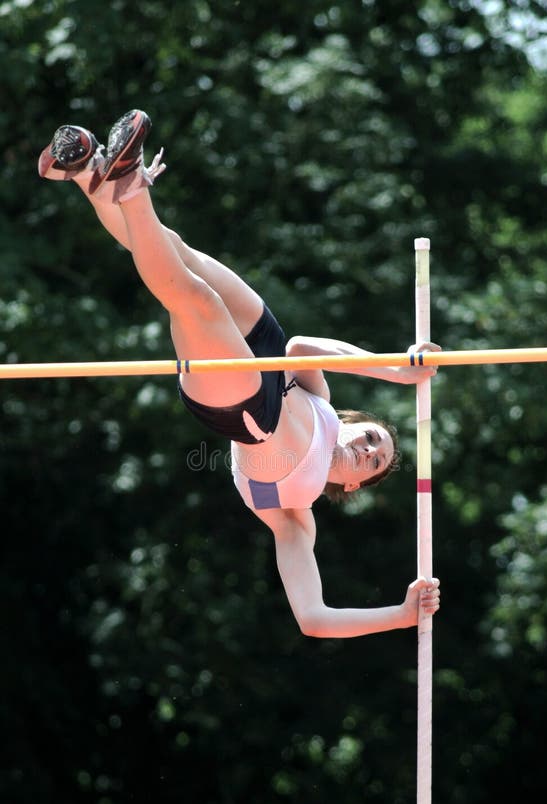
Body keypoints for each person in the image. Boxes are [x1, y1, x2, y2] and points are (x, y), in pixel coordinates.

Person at [38, 110, 441, 638]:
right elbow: (302, 346)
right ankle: (88, 170)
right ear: (350, 421)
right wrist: (399, 369)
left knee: (194, 301)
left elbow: (315, 620)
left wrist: (404, 614)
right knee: (177, 248)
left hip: (245, 409)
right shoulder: (320, 399)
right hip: (268, 350)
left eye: (374, 459)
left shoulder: (294, 516)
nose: (368, 448)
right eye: (372, 437)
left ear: (354, 484)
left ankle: (128, 184)